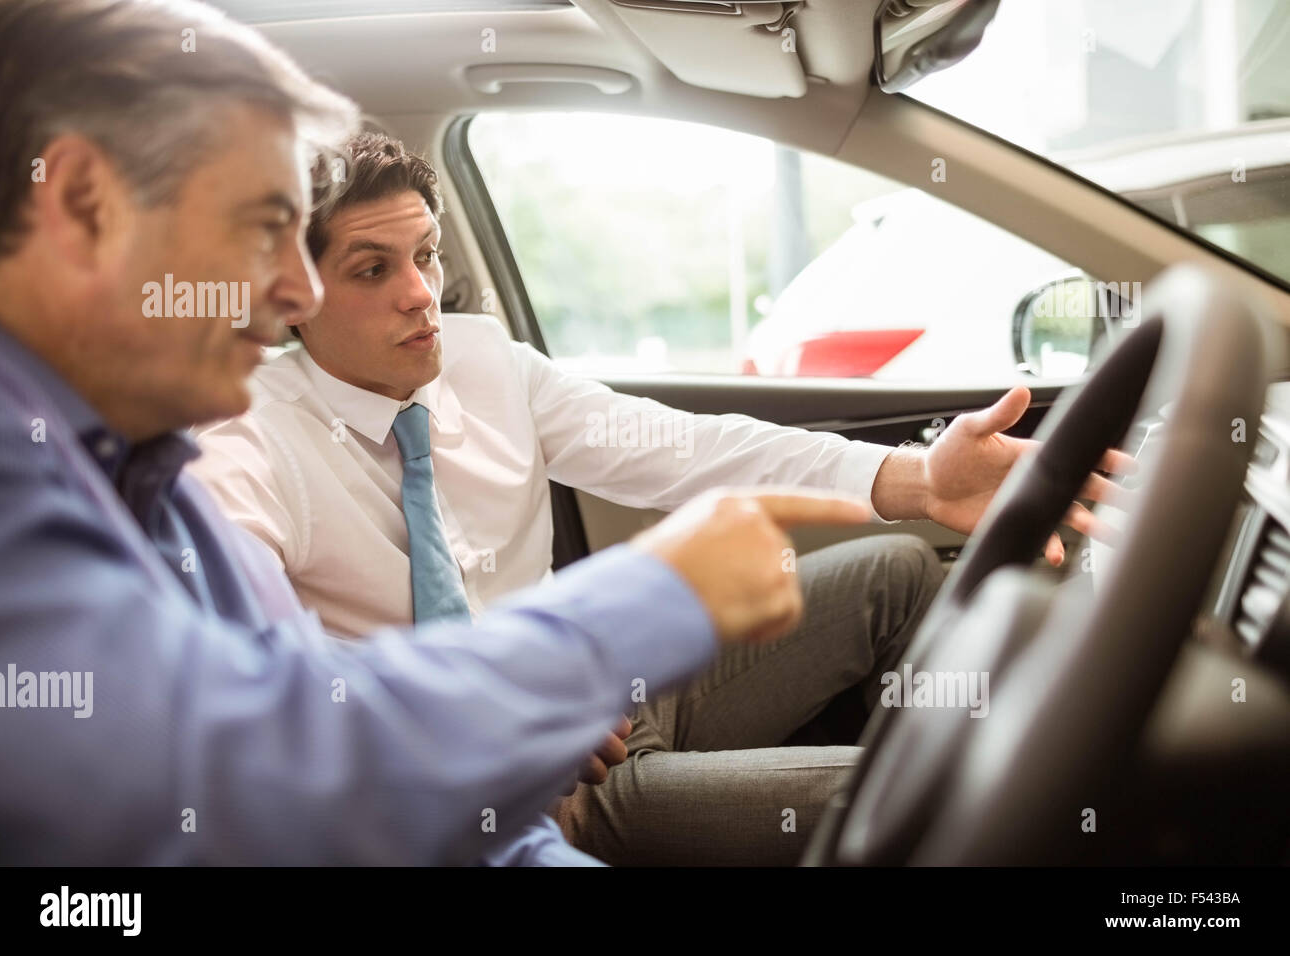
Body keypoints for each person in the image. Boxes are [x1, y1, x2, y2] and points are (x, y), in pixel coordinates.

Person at [0, 0, 871, 866]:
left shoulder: (154, 471)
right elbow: (253, 776)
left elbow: (306, 726)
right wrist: (631, 617)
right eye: (261, 229)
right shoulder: (52, 474)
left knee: (895, 573)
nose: (295, 296)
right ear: (83, 203)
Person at [190, 133, 1129, 864]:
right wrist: (515, 699)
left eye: (426, 256)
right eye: (373, 270)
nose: (421, 296)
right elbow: (253, 688)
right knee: (938, 792)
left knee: (894, 572)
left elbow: (680, 448)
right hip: (517, 795)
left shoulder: (484, 363)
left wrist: (918, 478)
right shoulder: (245, 438)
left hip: (614, 695)